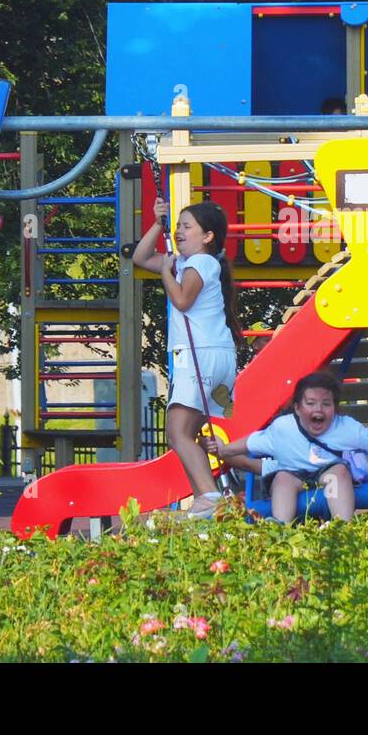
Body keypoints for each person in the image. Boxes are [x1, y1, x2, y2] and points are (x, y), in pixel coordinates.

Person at [132, 197, 244, 519]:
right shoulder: (191, 264)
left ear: (207, 236)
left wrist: (168, 272)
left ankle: (210, 496)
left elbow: (181, 300)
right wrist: (158, 223)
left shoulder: (200, 263)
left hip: (200, 356)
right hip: (215, 356)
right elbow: (140, 258)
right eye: (178, 225)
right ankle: (205, 497)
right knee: (189, 431)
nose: (179, 231)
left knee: (177, 432)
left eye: (187, 226)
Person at [204, 372, 368, 523]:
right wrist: (224, 450)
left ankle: (343, 528)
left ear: (335, 409)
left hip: (327, 475)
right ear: (297, 408)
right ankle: (279, 531)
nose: (318, 410)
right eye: (310, 404)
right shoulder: (283, 429)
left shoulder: (346, 427)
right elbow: (251, 443)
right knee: (282, 477)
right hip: (292, 477)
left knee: (338, 472)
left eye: (326, 404)